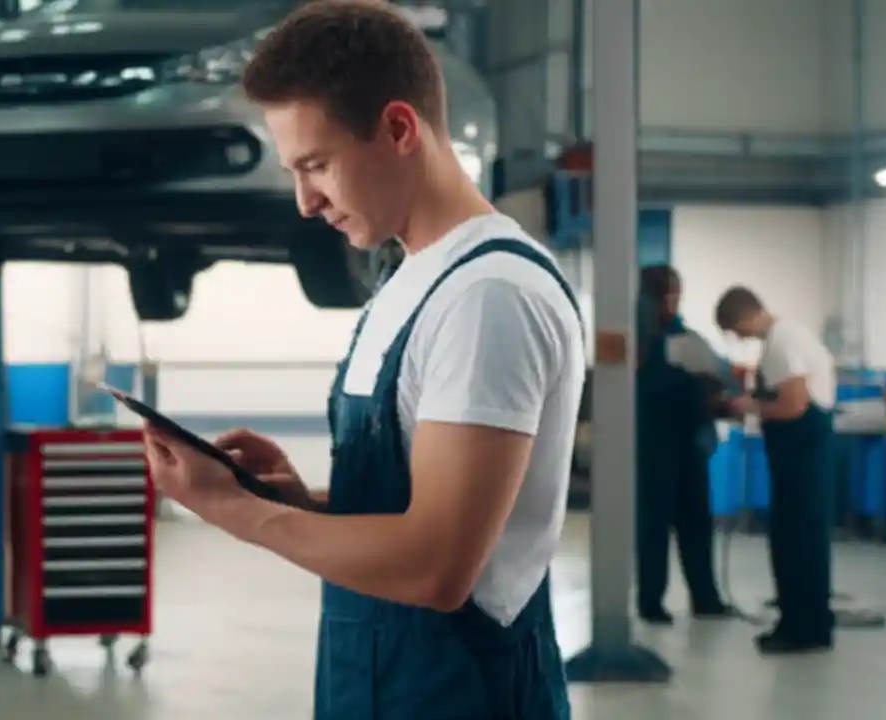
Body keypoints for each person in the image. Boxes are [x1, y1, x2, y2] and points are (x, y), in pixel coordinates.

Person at [141, 2, 584, 716]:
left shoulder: (488, 295)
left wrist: (231, 513)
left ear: (399, 129)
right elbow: (412, 506)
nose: (305, 203)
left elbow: (438, 564)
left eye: (316, 165)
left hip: (461, 695)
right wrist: (290, 501)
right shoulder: (409, 280)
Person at [716, 286, 837, 654]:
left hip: (801, 452)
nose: (739, 338)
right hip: (803, 454)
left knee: (795, 540)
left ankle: (799, 628)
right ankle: (811, 622)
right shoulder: (787, 337)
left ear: (743, 318)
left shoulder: (783, 342)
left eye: (736, 331)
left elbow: (794, 405)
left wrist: (748, 408)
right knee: (804, 539)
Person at [635, 266, 735, 624]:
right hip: (653, 445)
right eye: (670, 293)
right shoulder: (640, 341)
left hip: (689, 444)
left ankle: (705, 598)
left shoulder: (685, 337)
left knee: (696, 521)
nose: (675, 300)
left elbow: (716, 378)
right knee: (654, 526)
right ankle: (651, 601)